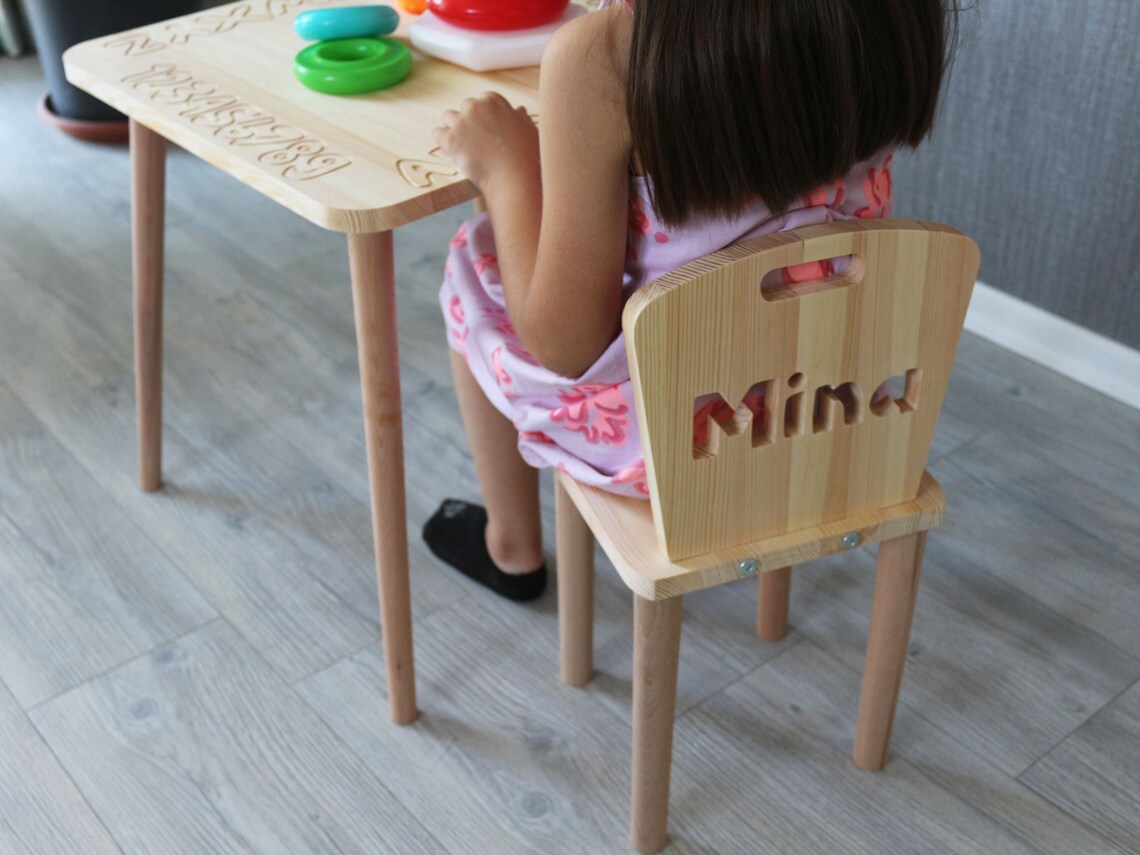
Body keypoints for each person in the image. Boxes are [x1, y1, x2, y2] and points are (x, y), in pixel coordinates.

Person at [422, 0, 959, 601]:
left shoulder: (608, 50)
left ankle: (511, 547)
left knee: (478, 254)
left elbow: (566, 346)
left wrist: (506, 170)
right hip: (848, 395)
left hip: (686, 436)